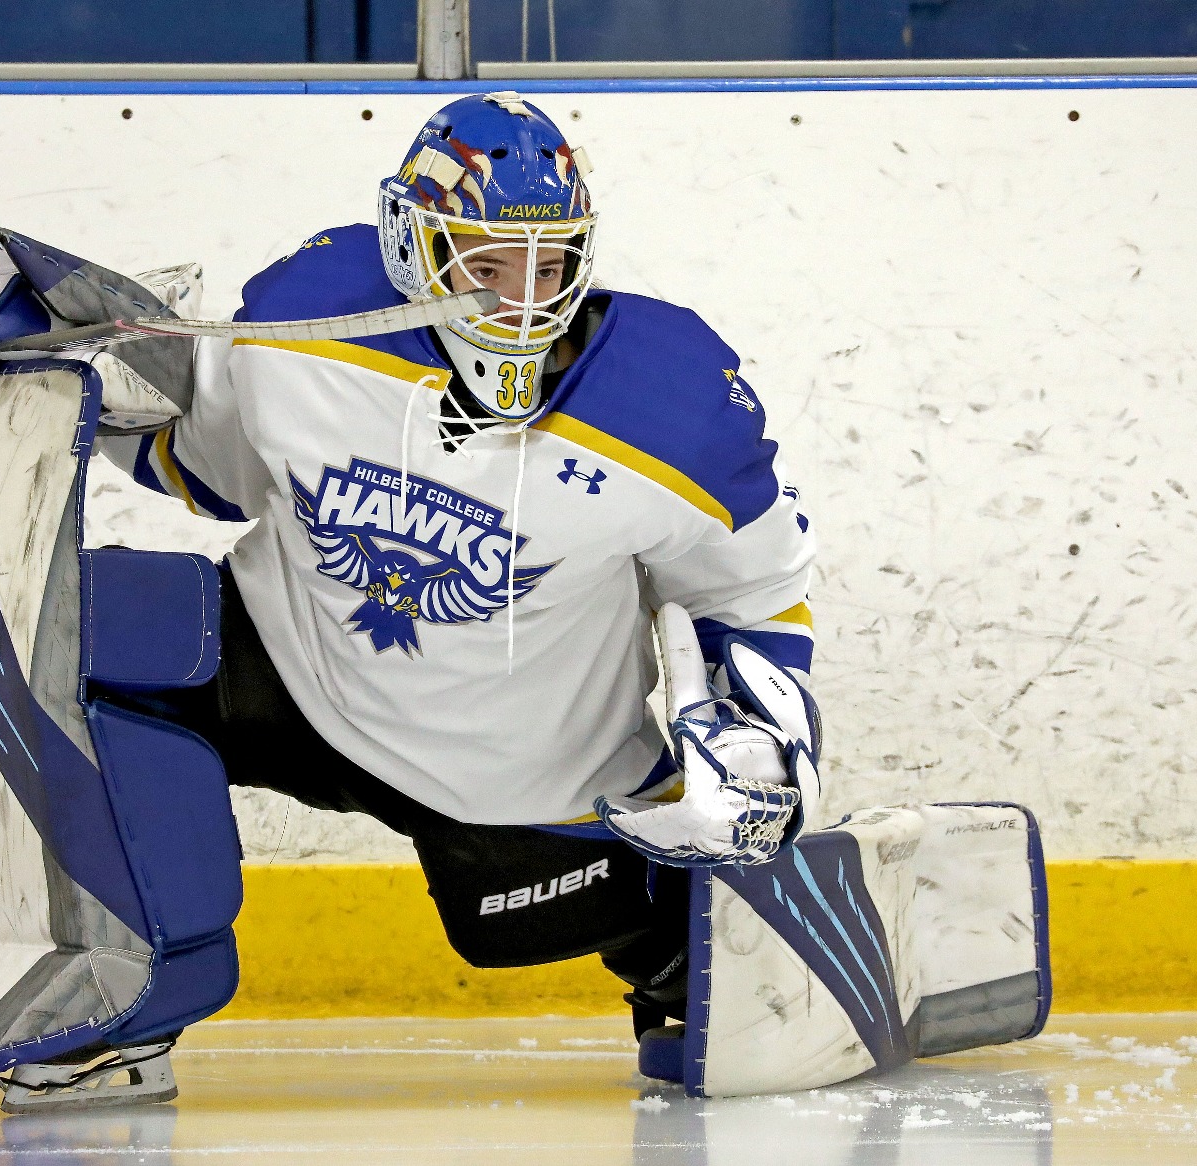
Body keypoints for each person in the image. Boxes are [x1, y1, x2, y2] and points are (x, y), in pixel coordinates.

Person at [97, 90, 819, 1038]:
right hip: (285, 676)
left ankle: (676, 964)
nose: (522, 300)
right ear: (411, 246)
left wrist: (763, 734)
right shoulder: (309, 317)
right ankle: (122, 996)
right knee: (65, 639)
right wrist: (79, 382)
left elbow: (755, 590)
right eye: (485, 264)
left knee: (701, 975)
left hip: (522, 778)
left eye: (548, 264)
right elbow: (213, 471)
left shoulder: (672, 403)